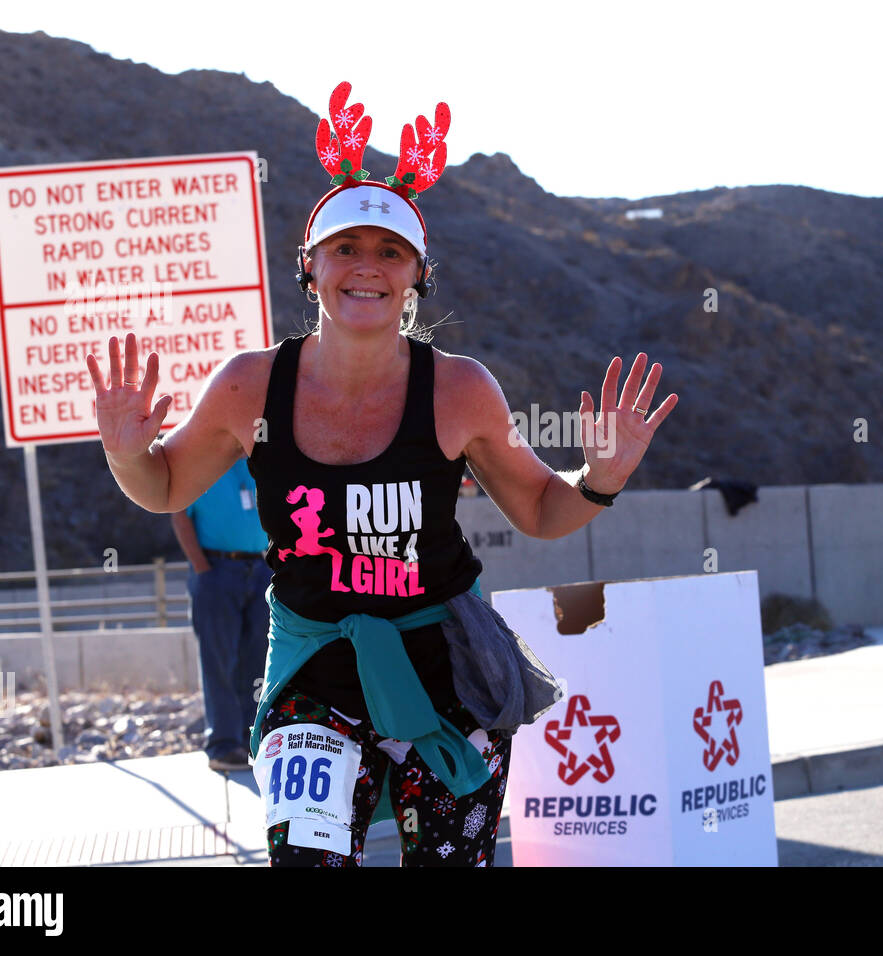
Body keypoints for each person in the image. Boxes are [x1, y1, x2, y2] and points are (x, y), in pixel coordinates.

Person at [85, 80, 677, 867]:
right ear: (311, 267)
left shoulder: (461, 390)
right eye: (347, 249)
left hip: (449, 671)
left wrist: (600, 478)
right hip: (314, 672)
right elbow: (164, 488)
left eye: (389, 252)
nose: (367, 267)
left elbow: (539, 509)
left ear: (416, 275)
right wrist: (127, 452)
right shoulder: (249, 384)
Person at [170, 459, 273, 772]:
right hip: (217, 569)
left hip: (261, 570)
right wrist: (202, 567)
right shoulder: (200, 463)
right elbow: (179, 515)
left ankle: (251, 738)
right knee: (219, 659)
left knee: (259, 658)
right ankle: (223, 744)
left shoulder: (257, 463)